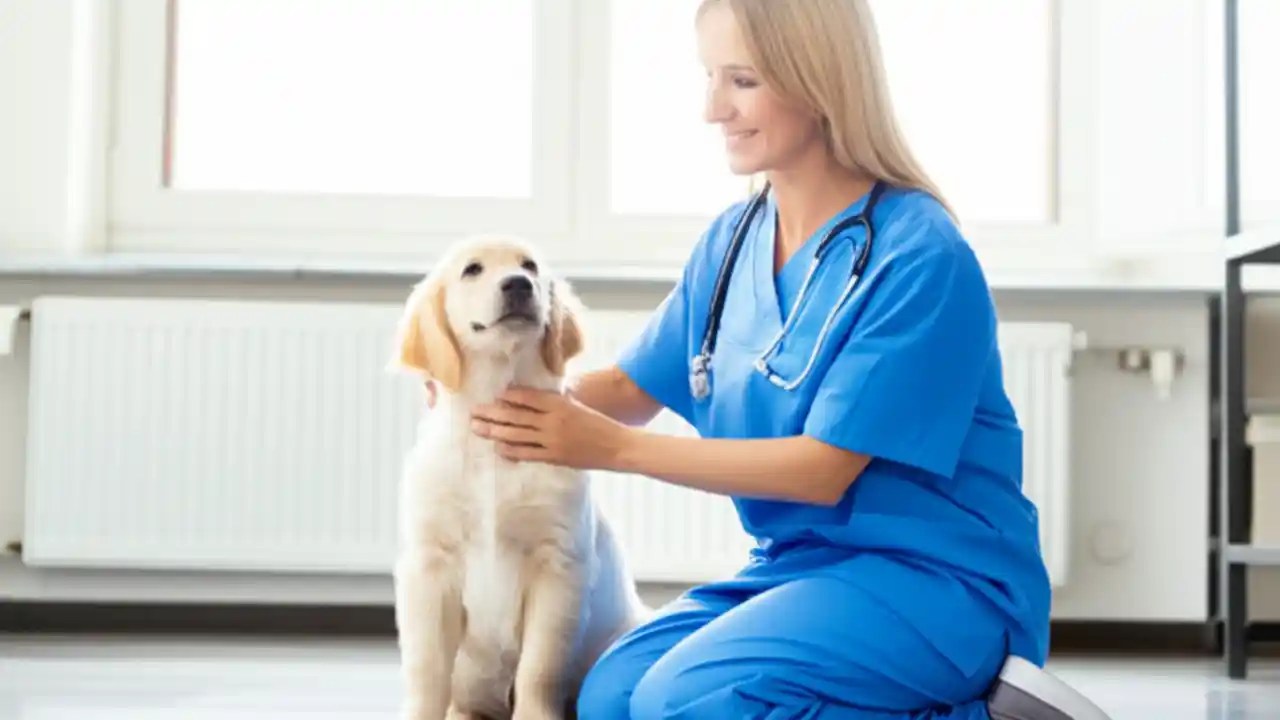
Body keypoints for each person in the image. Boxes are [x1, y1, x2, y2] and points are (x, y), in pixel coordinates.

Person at [427, 1, 1115, 718]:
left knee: (678, 702)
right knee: (610, 696)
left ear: (818, 82)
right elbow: (632, 386)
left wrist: (614, 450)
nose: (712, 108)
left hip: (939, 583)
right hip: (800, 569)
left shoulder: (920, 254)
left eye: (742, 81)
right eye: (710, 77)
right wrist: (483, 392)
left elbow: (822, 470)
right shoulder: (733, 244)